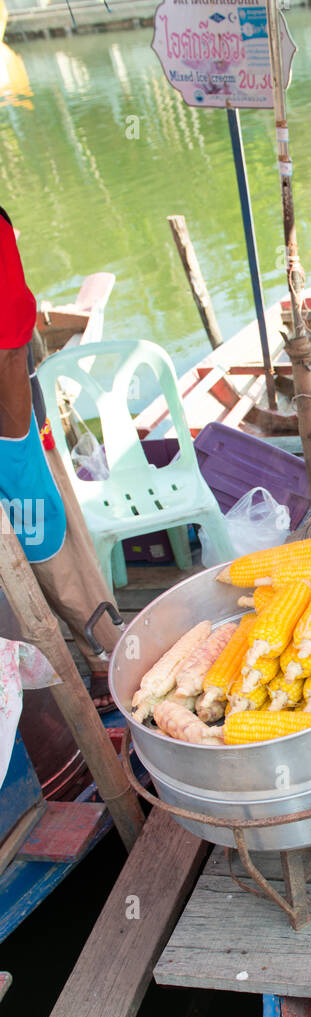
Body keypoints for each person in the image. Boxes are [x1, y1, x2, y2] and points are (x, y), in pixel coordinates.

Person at [0, 206, 119, 707]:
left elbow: (8, 345)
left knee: (49, 543)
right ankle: (34, 698)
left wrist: (14, 441)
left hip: (9, 413)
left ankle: (106, 661)